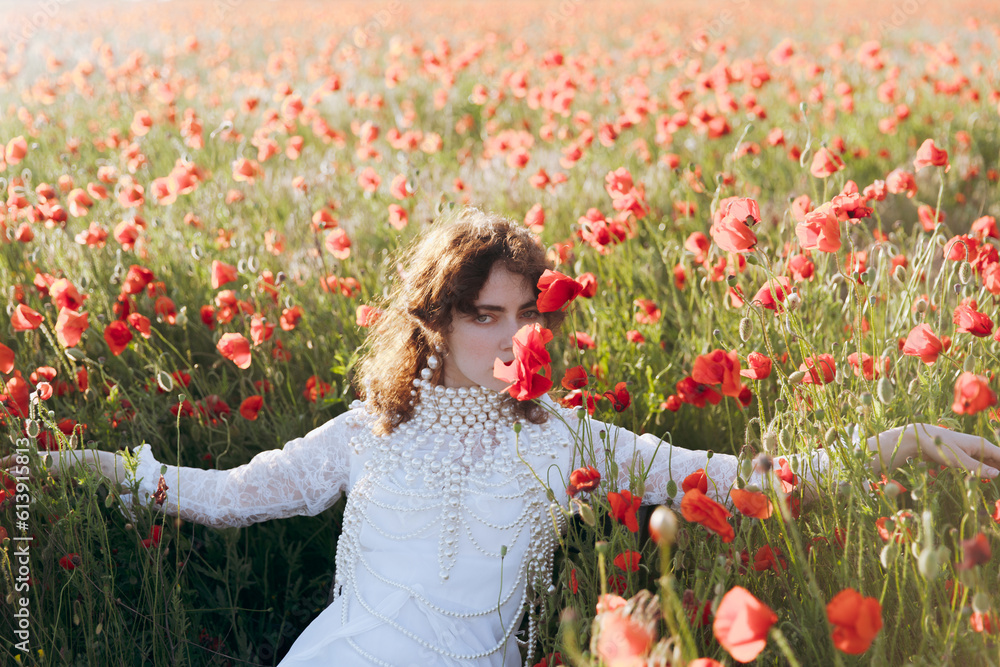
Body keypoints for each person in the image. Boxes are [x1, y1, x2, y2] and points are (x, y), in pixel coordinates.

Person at [8, 207, 1000, 666]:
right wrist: (72, 464)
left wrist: (900, 439)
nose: (512, 337)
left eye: (527, 316)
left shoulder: (572, 439)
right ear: (432, 319)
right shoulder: (367, 430)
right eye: (488, 314)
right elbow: (223, 495)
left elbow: (741, 476)